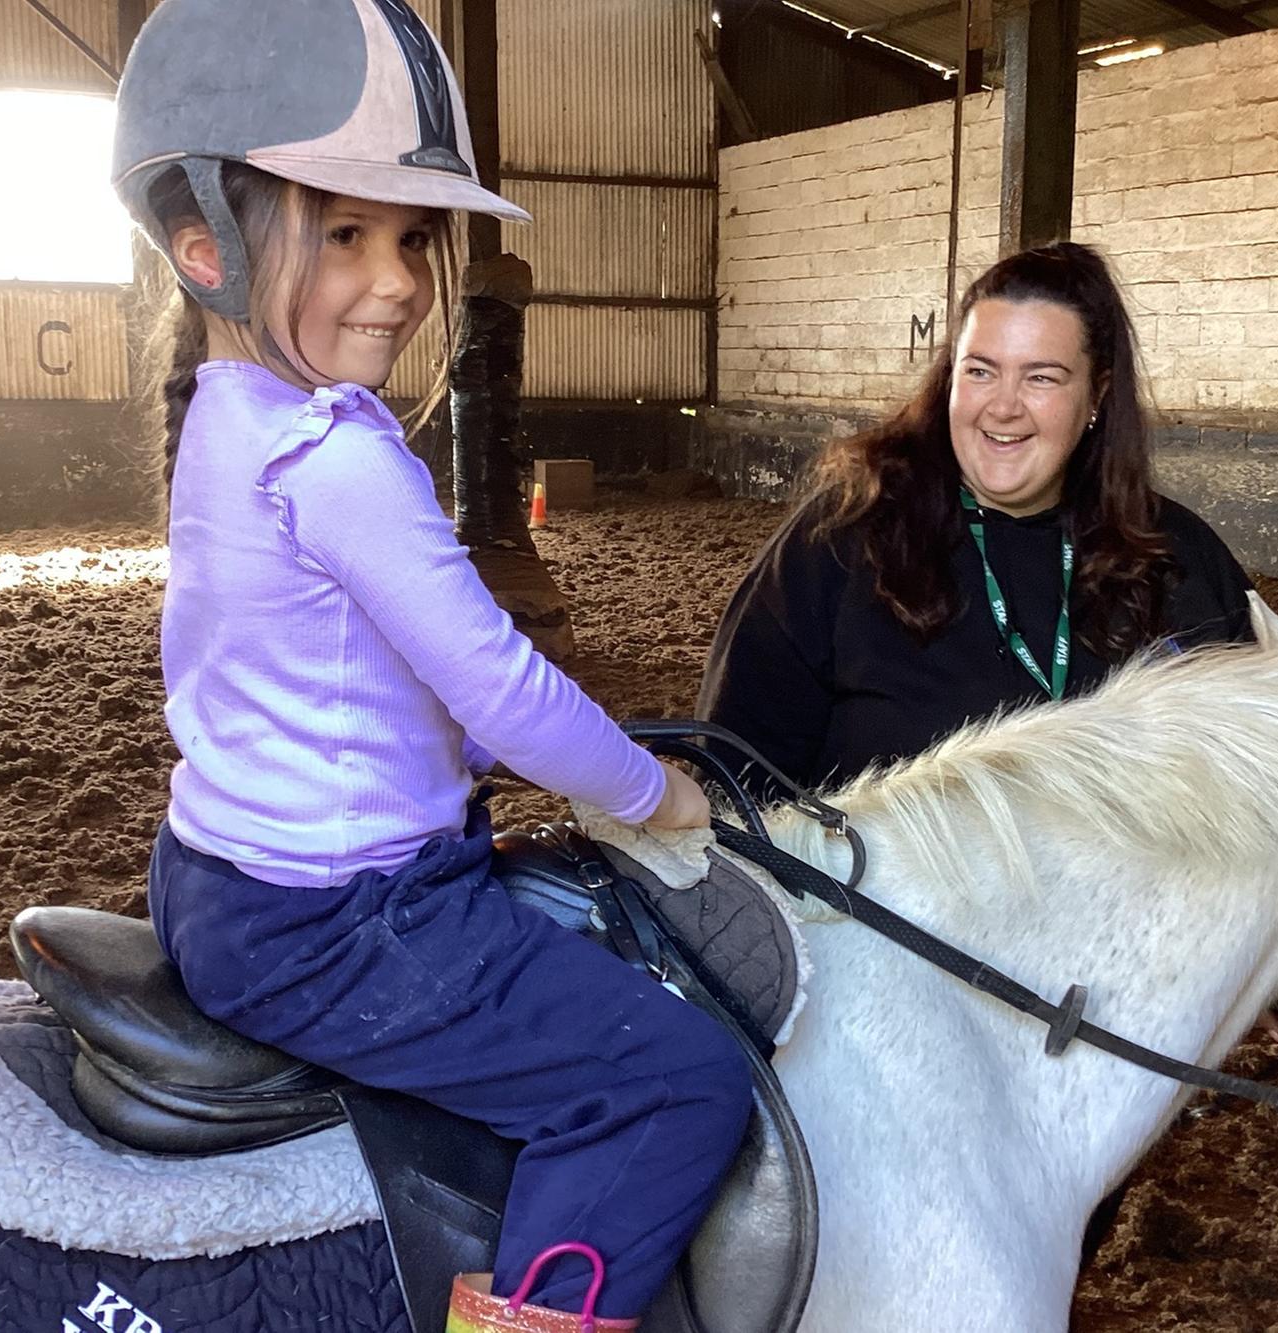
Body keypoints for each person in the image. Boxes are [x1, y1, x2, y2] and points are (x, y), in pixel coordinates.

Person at [111, 3, 751, 1328]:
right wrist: (645, 792)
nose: (398, 279)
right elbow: (503, 689)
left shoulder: (226, 419)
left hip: (216, 881)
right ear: (208, 246)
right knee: (677, 1079)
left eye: (411, 237)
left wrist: (454, 761)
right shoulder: (340, 456)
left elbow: (321, 671)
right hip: (349, 922)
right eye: (342, 232)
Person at [699, 241, 1256, 797]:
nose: (1004, 407)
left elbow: (1252, 777)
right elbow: (734, 778)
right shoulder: (843, 541)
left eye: (1041, 378)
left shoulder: (1176, 558)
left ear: (1097, 396)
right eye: (981, 372)